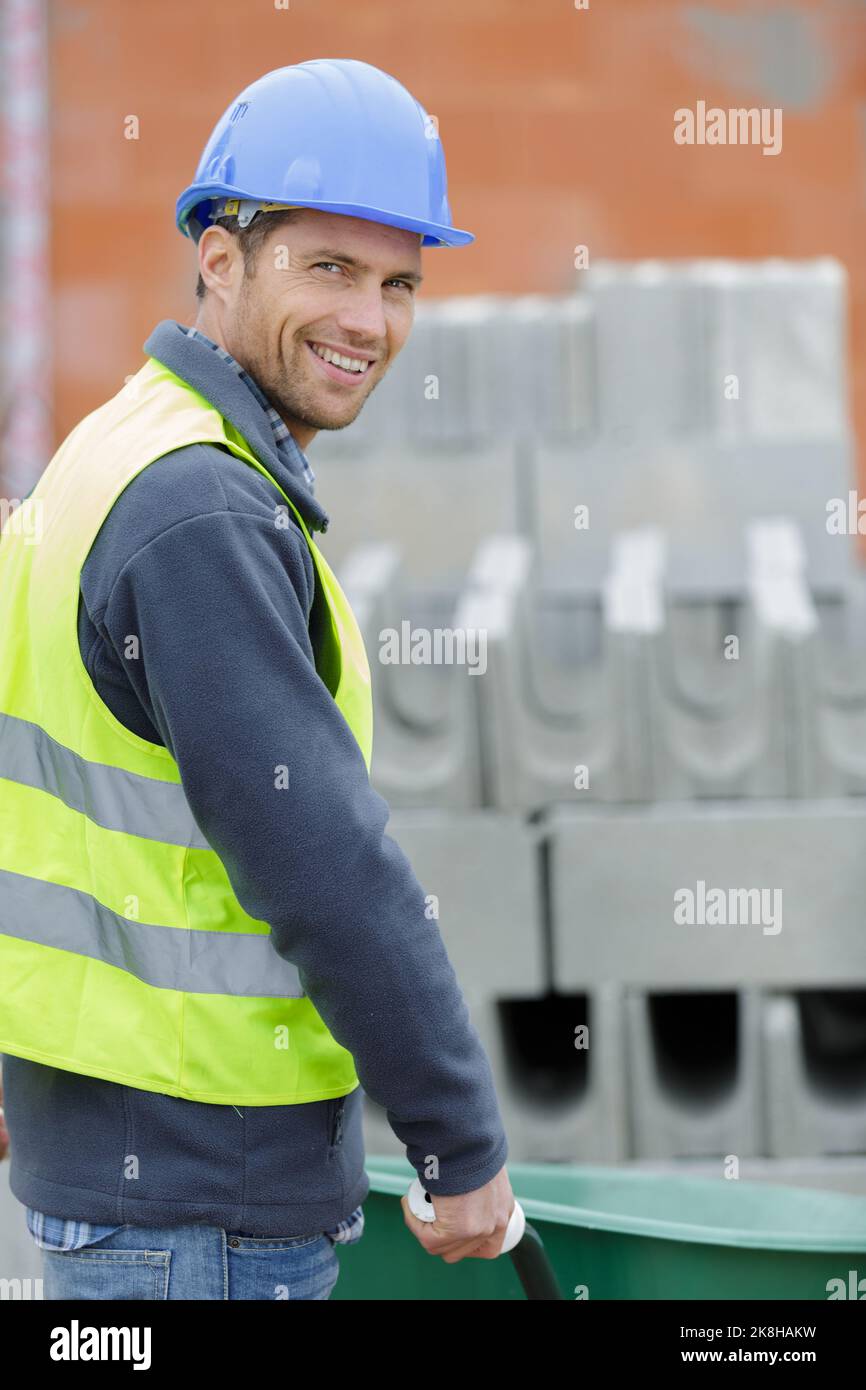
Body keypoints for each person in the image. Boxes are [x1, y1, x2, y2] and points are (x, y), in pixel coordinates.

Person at [0, 58, 513, 1301]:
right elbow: (324, 862)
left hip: (128, 1179)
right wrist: (459, 1141)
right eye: (327, 269)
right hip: (199, 1201)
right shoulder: (199, 509)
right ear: (220, 261)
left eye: (398, 284)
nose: (369, 322)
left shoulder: (118, 446)